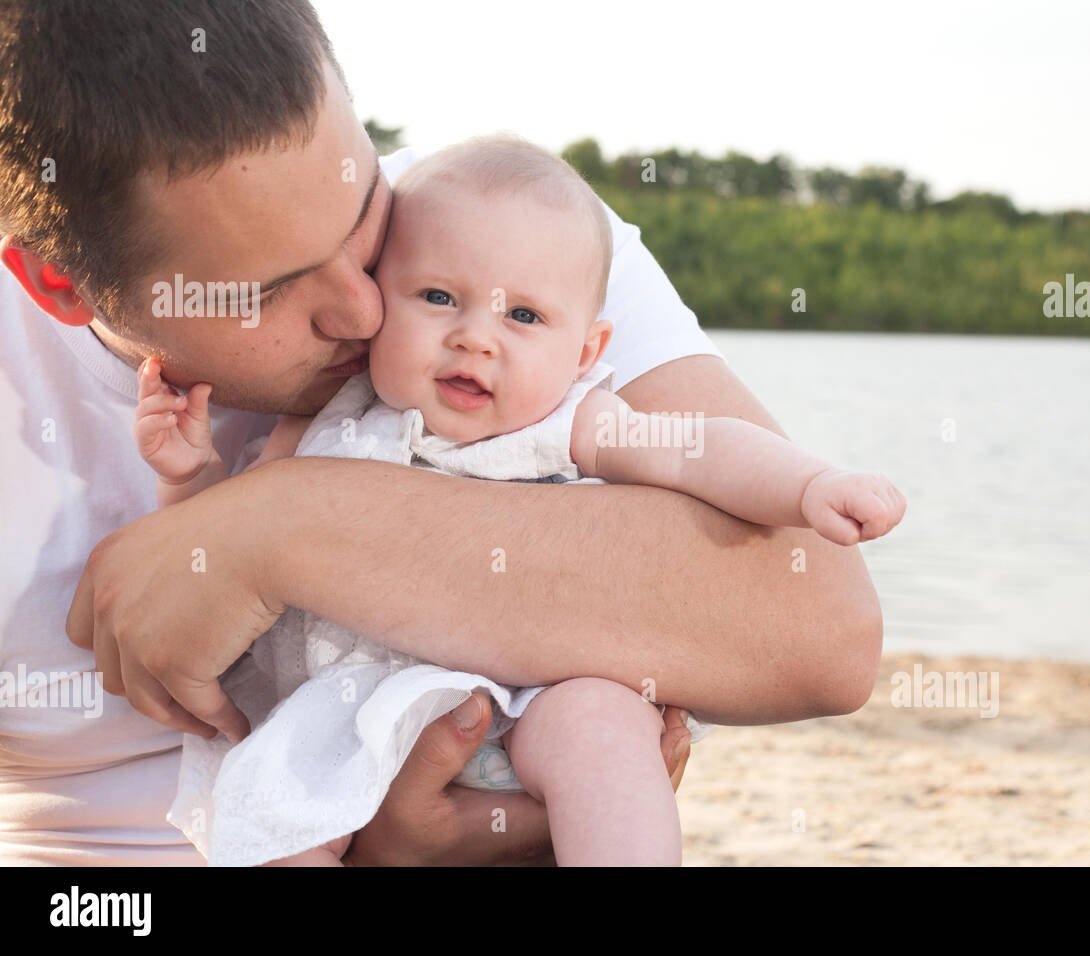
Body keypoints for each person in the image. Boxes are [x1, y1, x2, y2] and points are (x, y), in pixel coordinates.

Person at [0, 0, 885, 866]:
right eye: (268, 291)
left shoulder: (502, 232)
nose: (364, 304)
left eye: (361, 218)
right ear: (57, 284)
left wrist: (283, 526)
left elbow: (821, 632)